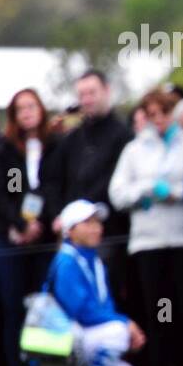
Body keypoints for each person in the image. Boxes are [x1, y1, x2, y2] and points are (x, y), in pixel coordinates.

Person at [108, 88, 183, 366]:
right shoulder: (134, 150)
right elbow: (118, 193)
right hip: (148, 242)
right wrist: (146, 190)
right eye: (152, 115)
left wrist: (172, 192)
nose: (158, 120)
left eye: (163, 113)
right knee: (159, 308)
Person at [0, 89, 63, 366]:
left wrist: (40, 223)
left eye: (31, 106)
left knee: (43, 307)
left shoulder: (55, 146)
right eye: (20, 109)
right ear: (13, 115)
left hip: (44, 236)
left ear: (41, 109)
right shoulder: (6, 149)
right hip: (13, 237)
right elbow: (4, 193)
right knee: (13, 306)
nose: (26, 113)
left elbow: (55, 186)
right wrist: (20, 224)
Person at [46, 200, 147, 366]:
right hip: (61, 338)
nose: (97, 229)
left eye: (97, 223)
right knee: (117, 331)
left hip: (81, 336)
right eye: (88, 223)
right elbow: (80, 310)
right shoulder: (67, 261)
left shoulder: (94, 260)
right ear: (71, 230)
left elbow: (103, 306)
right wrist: (125, 324)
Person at [50, 70, 133, 299]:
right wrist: (59, 213)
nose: (87, 100)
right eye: (82, 94)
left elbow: (115, 184)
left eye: (92, 93)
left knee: (102, 297)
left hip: (107, 233)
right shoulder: (72, 138)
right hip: (71, 235)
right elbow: (52, 178)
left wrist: (84, 214)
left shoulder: (123, 136)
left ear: (107, 91)